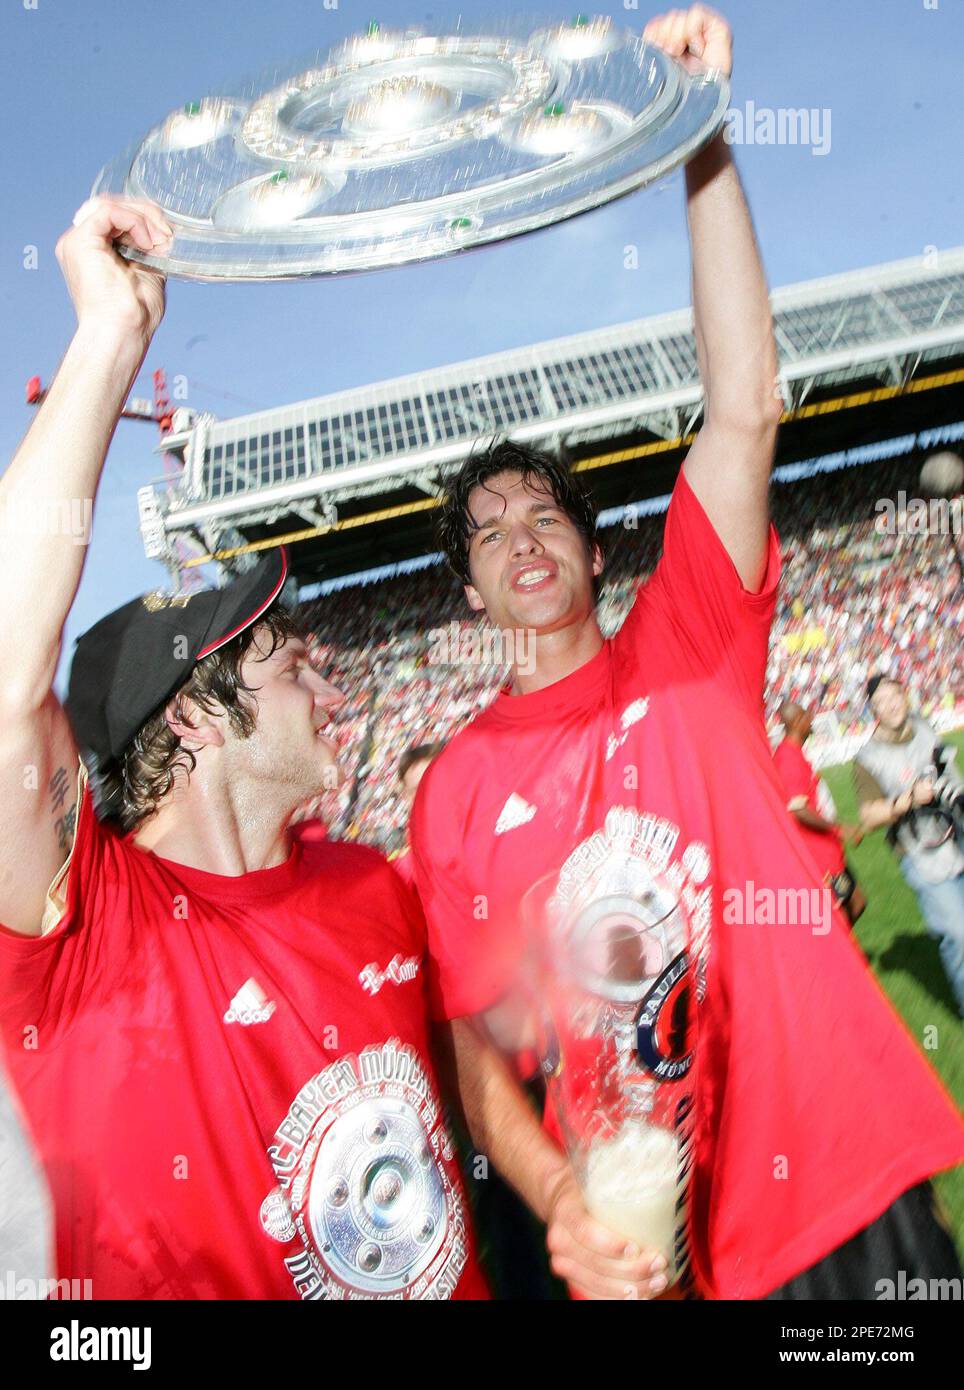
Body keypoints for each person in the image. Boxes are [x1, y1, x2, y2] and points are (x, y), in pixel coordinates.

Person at [411, 5, 964, 1301]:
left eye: (545, 512)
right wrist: (552, 1197)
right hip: (670, 1240)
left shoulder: (690, 635)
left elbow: (742, 400)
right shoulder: (455, 793)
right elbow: (483, 1049)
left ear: (596, 553)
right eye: (488, 532)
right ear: (474, 592)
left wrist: (702, 138)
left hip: (841, 1186)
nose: (521, 536)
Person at [0, 196, 487, 1300]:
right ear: (192, 714)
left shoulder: (369, 885)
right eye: (284, 654)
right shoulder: (84, 936)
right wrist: (109, 337)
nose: (327, 670)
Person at [854, 674, 964, 1016]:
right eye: (882, 702)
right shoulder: (867, 759)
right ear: (874, 711)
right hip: (922, 855)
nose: (892, 704)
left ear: (905, 693)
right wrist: (908, 799)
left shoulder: (923, 725)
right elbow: (869, 817)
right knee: (959, 935)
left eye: (895, 695)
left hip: (957, 833)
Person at [773, 702, 866, 925]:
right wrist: (838, 827)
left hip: (828, 851)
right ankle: (841, 958)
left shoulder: (794, 754)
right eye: (806, 715)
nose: (812, 717)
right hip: (817, 857)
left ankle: (844, 956)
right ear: (796, 722)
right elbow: (797, 810)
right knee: (838, 919)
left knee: (857, 902)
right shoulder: (788, 759)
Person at [392, 743, 445, 887]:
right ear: (406, 797)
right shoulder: (399, 875)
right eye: (416, 790)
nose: (426, 794)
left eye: (434, 783)